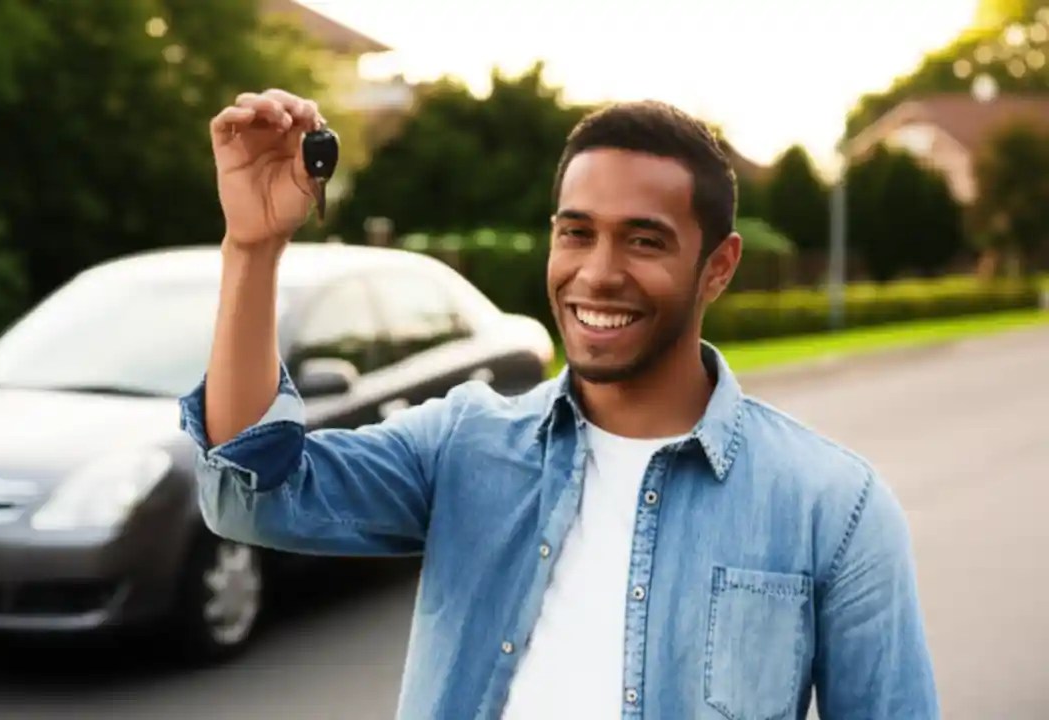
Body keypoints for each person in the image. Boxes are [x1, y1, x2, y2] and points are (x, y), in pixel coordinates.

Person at [180, 88, 940, 719]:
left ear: (719, 267)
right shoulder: (464, 444)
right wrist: (252, 248)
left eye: (644, 242)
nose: (597, 274)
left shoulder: (833, 508)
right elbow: (251, 492)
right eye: (577, 234)